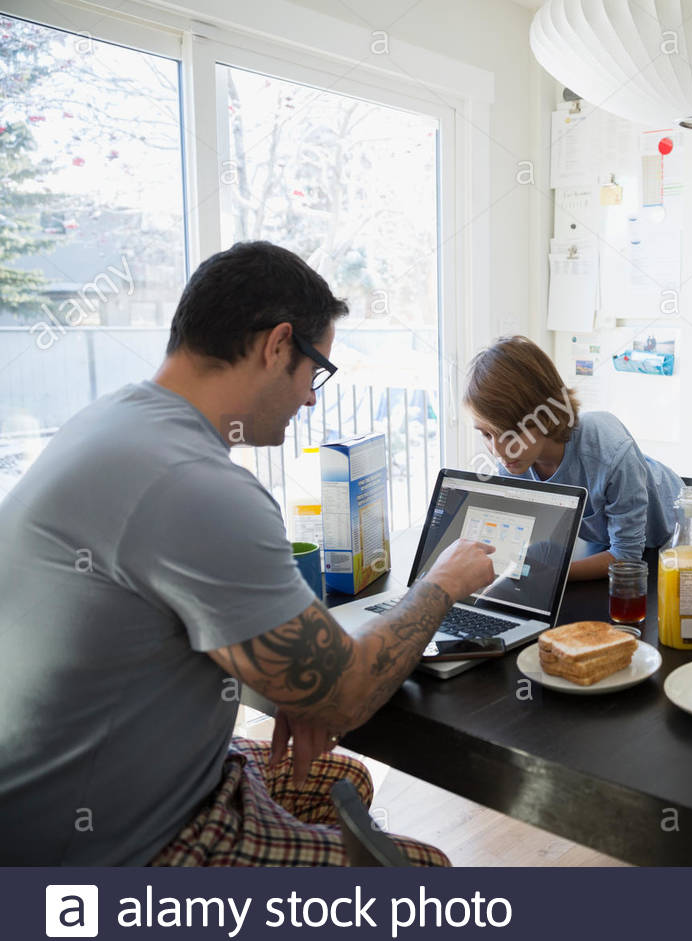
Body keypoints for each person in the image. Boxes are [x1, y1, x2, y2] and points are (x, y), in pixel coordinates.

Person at [0, 241, 496, 866]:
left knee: (343, 780)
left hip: (89, 780)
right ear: (278, 345)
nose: (310, 398)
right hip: (117, 845)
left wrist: (298, 683)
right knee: (433, 878)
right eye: (315, 371)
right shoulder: (193, 483)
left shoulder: (116, 421)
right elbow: (344, 697)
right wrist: (441, 584)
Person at [464, 335, 683, 581]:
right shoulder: (513, 463)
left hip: (672, 533)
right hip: (608, 538)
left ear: (544, 415)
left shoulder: (608, 450)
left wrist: (550, 576)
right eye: (486, 434)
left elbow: (627, 555)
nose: (499, 451)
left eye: (511, 435)